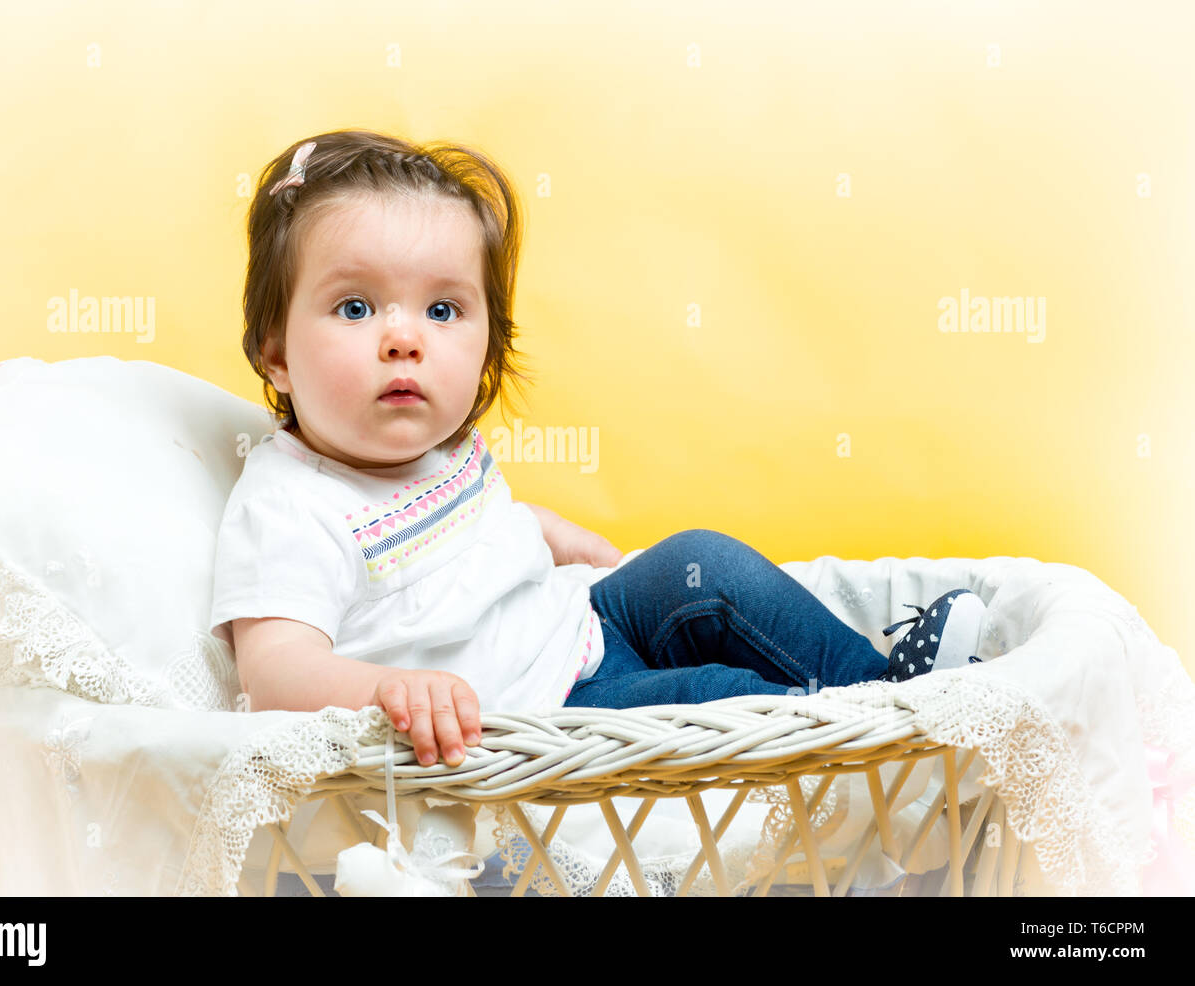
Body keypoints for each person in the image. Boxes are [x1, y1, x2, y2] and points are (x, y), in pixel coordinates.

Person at [209, 129, 986, 770]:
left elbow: (471, 523)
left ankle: (887, 691)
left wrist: (554, 534)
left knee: (704, 563)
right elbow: (274, 668)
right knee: (712, 696)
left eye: (444, 309)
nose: (405, 339)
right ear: (275, 352)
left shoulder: (444, 450)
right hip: (543, 716)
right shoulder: (289, 504)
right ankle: (877, 756)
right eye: (355, 307)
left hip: (587, 621)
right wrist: (387, 690)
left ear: (488, 344)